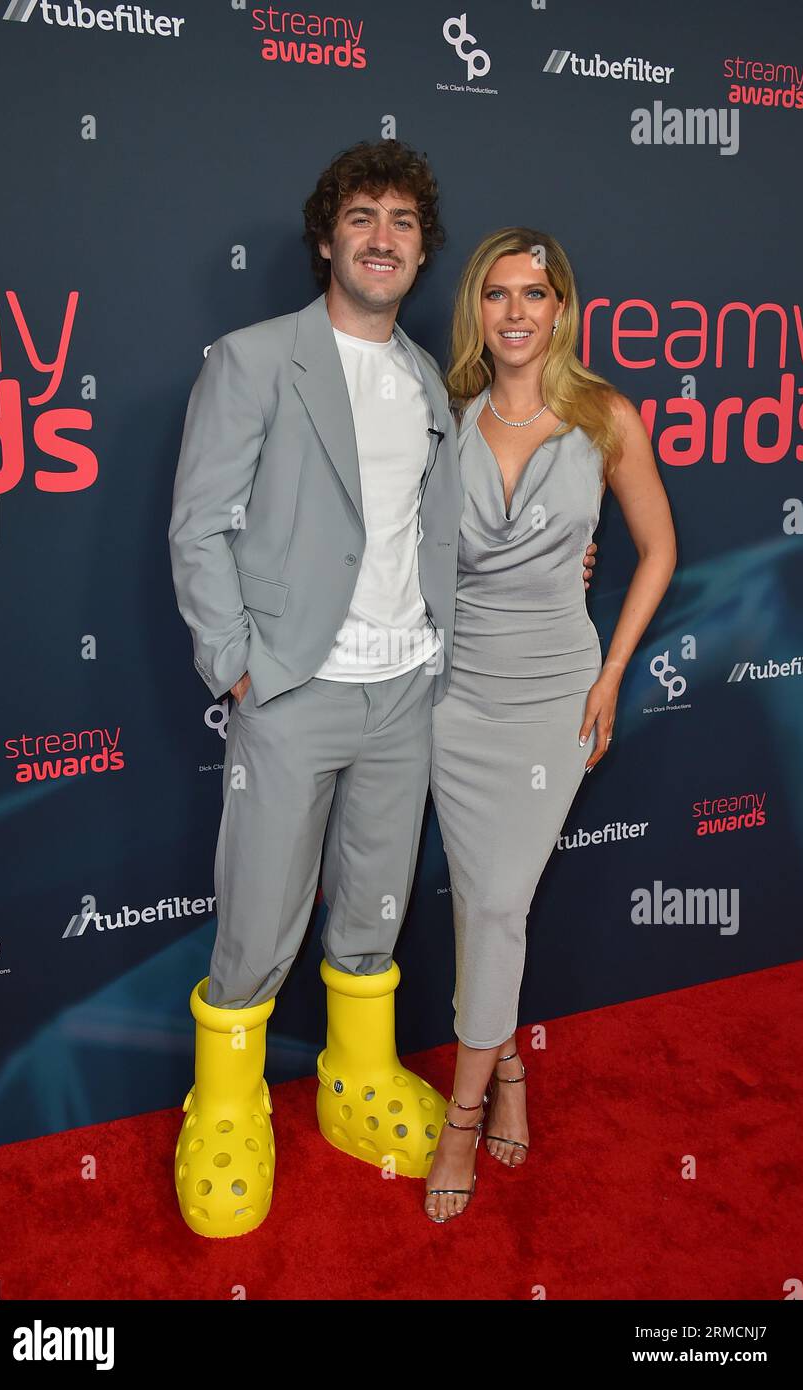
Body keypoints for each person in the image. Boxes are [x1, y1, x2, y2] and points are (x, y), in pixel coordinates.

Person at [168, 140, 597, 1238]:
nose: (381, 238)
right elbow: (198, 527)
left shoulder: (425, 379)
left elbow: (455, 526)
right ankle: (224, 1101)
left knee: (375, 904)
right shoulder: (256, 359)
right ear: (327, 238)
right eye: (361, 216)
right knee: (261, 910)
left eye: (402, 222)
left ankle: (356, 1083)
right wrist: (237, 663)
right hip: (293, 690)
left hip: (409, 689)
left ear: (419, 251)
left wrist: (562, 557)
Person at [423, 228, 677, 1223]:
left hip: (553, 699)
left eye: (535, 292)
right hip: (454, 697)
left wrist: (610, 670)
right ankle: (510, 1066)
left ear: (562, 308)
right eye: (496, 294)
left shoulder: (604, 416)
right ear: (476, 312)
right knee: (480, 902)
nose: (516, 312)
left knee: (493, 904)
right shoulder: (443, 418)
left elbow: (656, 549)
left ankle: (462, 1110)